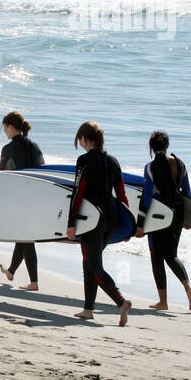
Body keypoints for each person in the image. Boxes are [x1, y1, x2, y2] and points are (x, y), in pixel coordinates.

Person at [65, 121, 132, 326]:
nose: (81, 144)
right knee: (89, 262)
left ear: (85, 139)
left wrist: (71, 222)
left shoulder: (84, 161)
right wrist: (127, 224)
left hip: (92, 218)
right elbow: (121, 194)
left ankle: (121, 302)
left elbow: (78, 193)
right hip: (111, 219)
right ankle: (88, 309)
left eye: (80, 140)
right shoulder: (113, 161)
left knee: (93, 265)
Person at [134, 130, 191, 311]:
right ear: (168, 145)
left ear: (151, 147)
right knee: (171, 254)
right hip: (178, 211)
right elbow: (187, 193)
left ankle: (163, 301)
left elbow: (146, 197)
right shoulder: (181, 164)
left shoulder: (150, 167)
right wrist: (189, 219)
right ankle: (187, 287)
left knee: (156, 255)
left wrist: (140, 224)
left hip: (159, 213)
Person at [0, 111, 44, 290]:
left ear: (10, 127)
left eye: (4, 128)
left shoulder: (8, 149)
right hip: (35, 198)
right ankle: (11, 271)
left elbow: (3, 175)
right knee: (24, 236)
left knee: (25, 237)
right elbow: (43, 169)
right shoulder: (35, 146)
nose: (5, 132)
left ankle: (34, 282)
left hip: (18, 198)